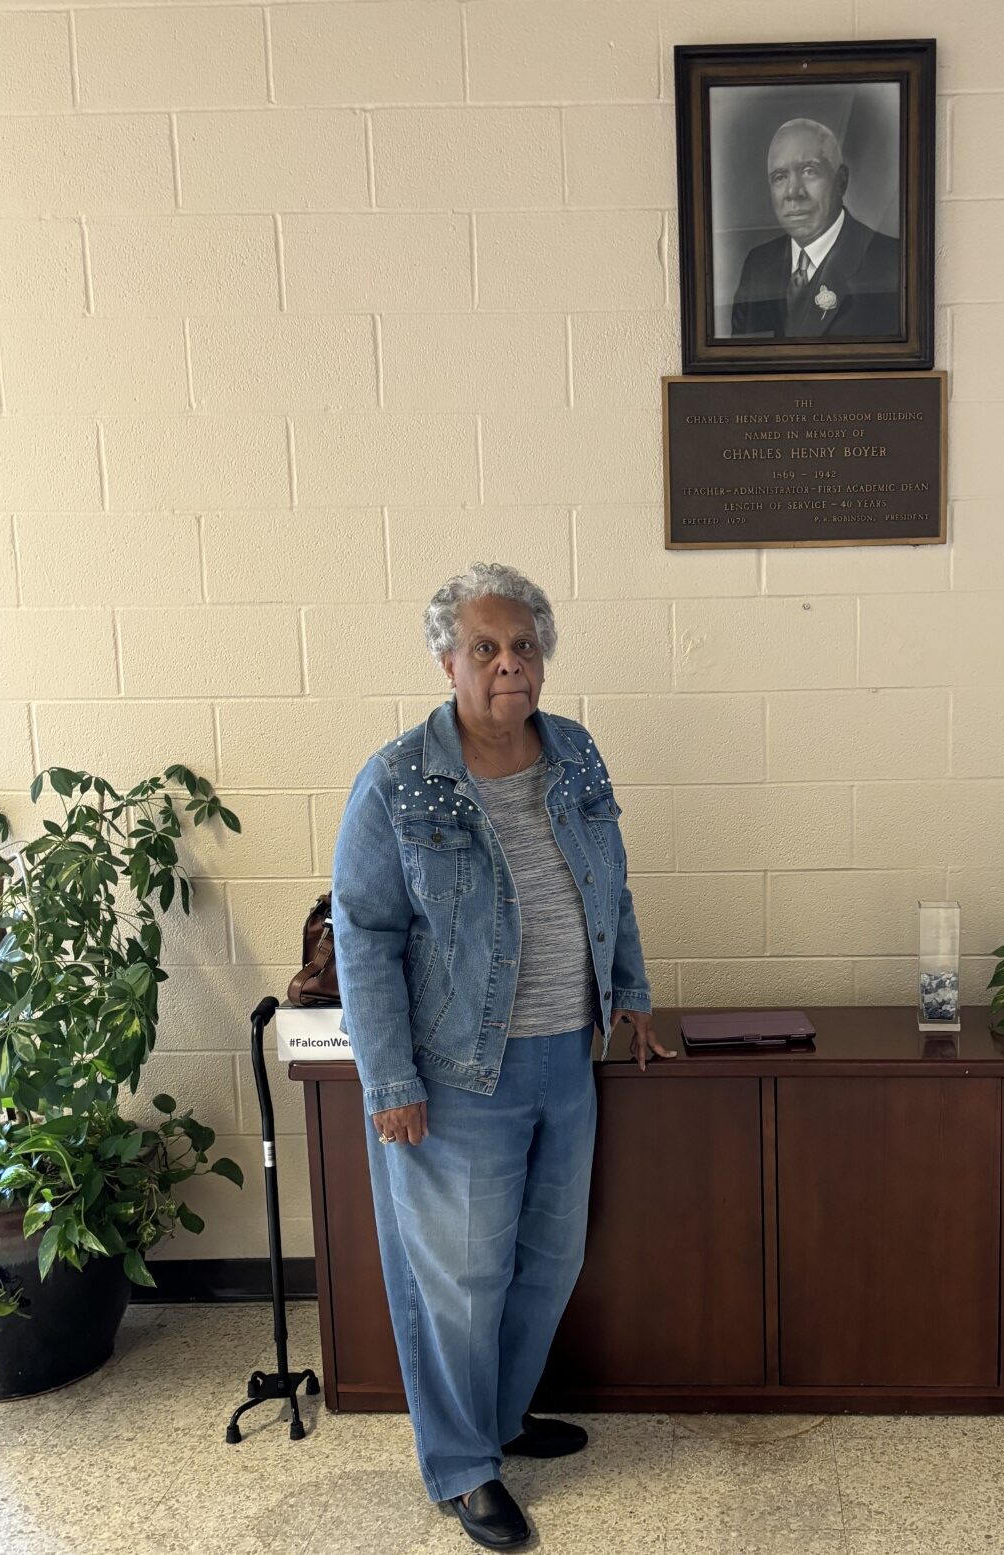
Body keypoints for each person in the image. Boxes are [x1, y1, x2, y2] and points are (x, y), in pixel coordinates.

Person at [330, 562, 674, 1551]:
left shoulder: (574, 755)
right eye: (486, 647)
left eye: (523, 646)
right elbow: (364, 932)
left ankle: (502, 1418)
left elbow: (613, 888)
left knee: (547, 1259)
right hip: (453, 1073)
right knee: (459, 1279)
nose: (509, 664)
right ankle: (462, 1463)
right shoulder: (398, 779)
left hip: (567, 1051)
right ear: (449, 659)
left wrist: (634, 997)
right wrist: (389, 1078)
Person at [728, 116, 901, 340]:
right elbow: (738, 368)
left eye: (809, 171)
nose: (793, 192)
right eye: (779, 177)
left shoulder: (891, 262)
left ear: (841, 181)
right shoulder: (758, 266)